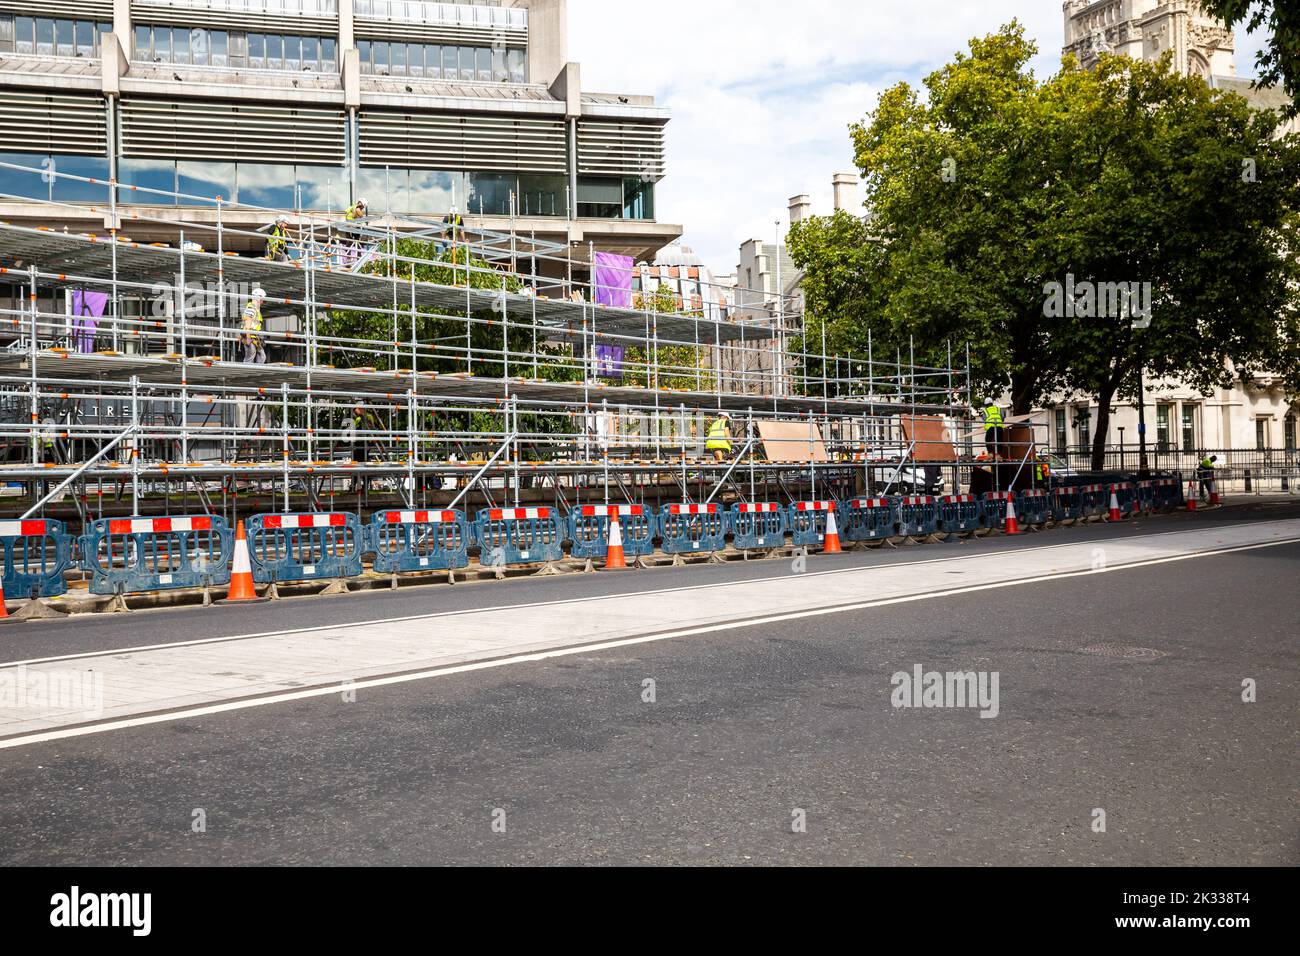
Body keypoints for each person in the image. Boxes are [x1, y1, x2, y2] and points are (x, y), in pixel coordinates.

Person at [240, 287, 267, 364]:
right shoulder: (251, 308)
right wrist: (248, 338)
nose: (262, 302)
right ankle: (247, 373)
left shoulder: (255, 309)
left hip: (255, 337)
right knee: (250, 357)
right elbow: (248, 324)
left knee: (262, 356)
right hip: (250, 337)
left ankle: (257, 371)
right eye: (262, 300)